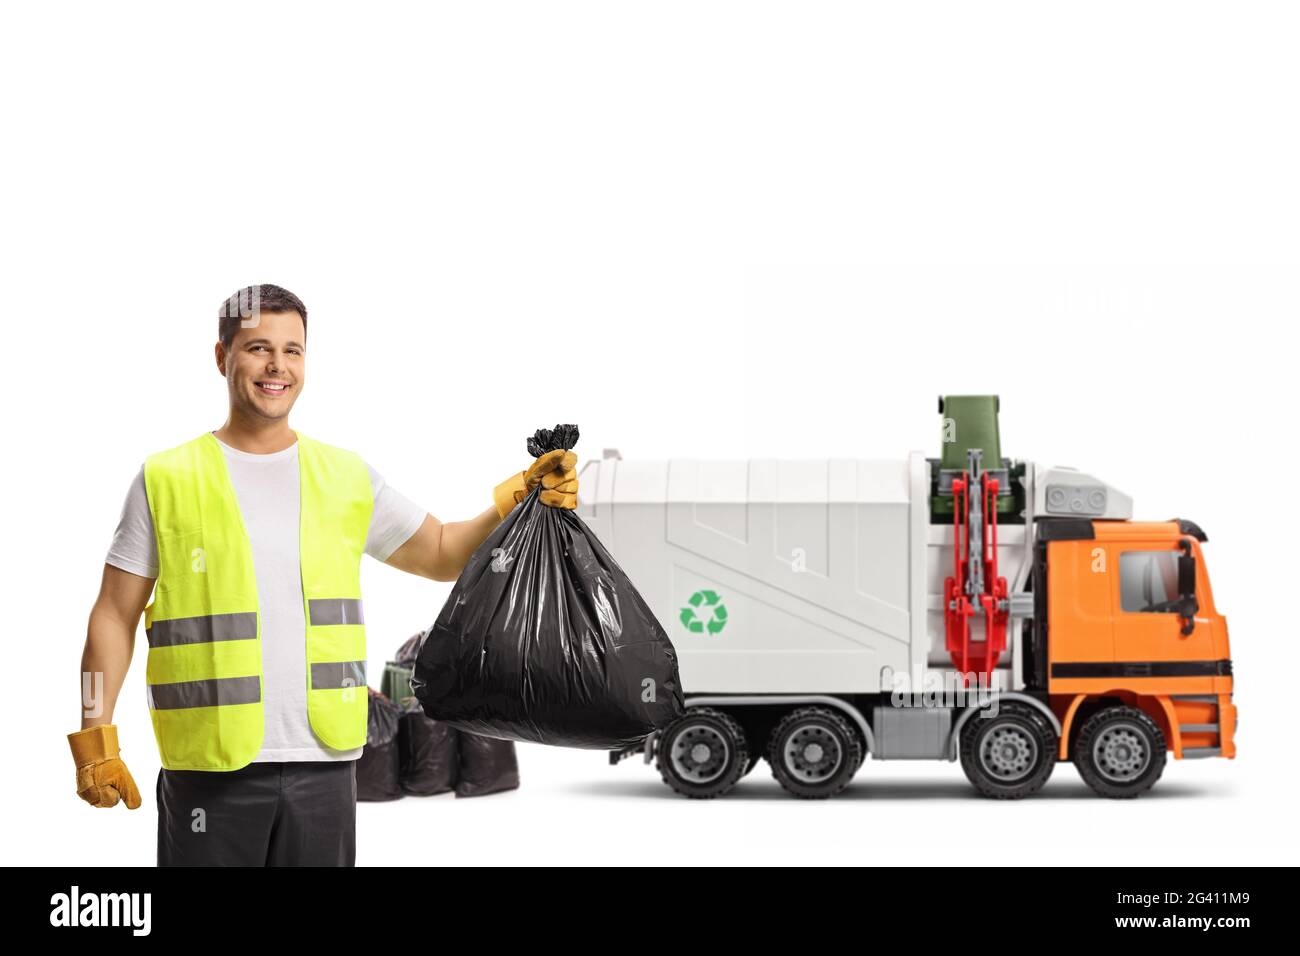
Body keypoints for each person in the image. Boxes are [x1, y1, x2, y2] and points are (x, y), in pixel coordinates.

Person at [67, 283, 577, 866]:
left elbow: (440, 551)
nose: (278, 366)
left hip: (327, 766)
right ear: (221, 357)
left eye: (293, 350)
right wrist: (94, 737)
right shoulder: (166, 479)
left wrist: (520, 497)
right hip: (208, 770)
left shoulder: (344, 477)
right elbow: (114, 611)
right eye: (259, 348)